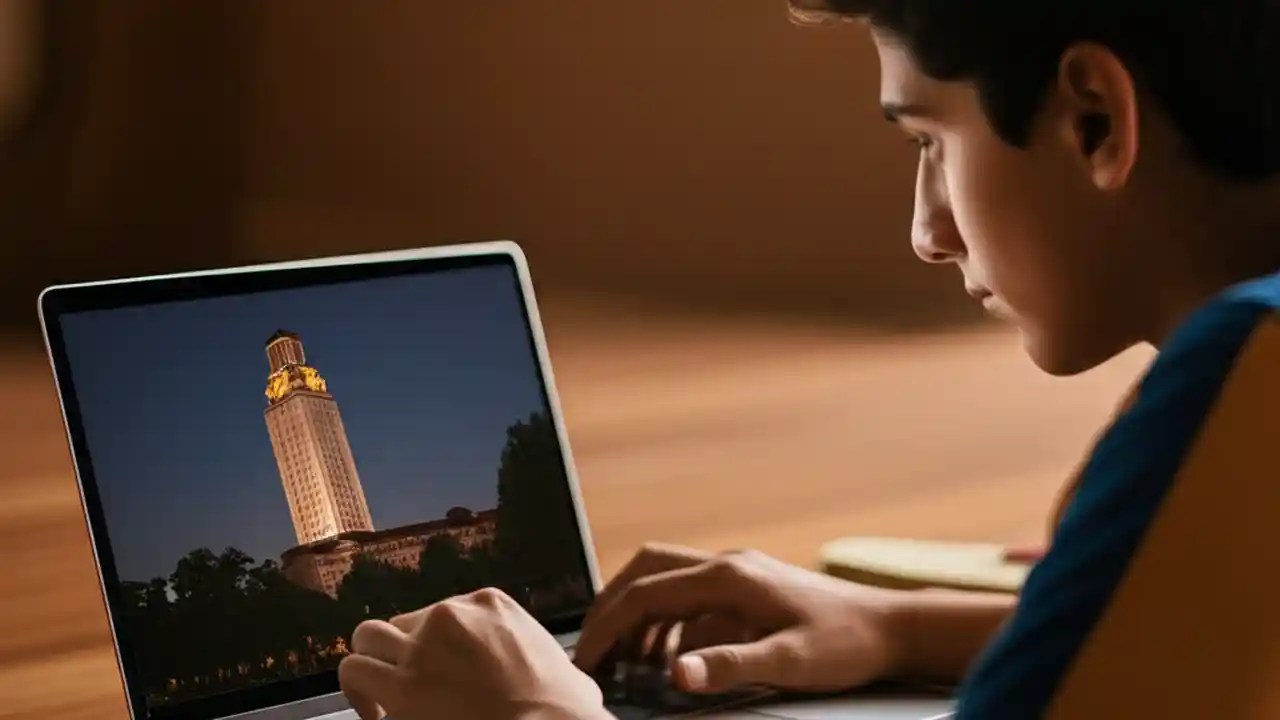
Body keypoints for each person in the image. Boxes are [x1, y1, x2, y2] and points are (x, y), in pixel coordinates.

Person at [337, 1, 1280, 717]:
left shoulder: (1240, 390)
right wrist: (894, 624)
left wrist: (541, 712)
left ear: (1094, 123)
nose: (926, 232)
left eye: (930, 142)